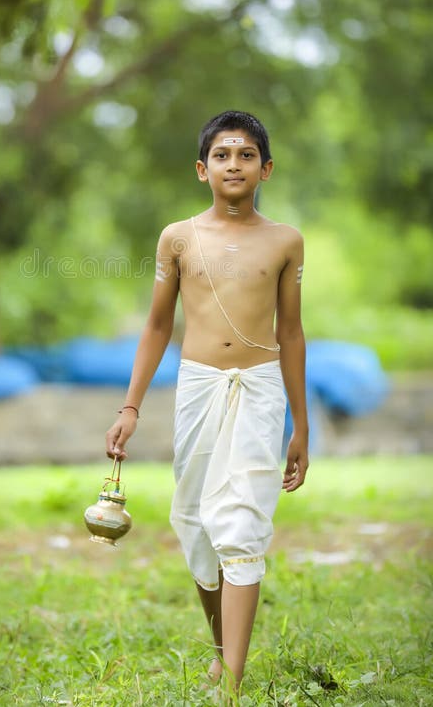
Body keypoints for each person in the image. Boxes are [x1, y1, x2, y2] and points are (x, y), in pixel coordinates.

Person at [105, 110, 309, 699]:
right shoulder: (178, 238)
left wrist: (300, 424)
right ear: (202, 169)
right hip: (197, 386)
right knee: (195, 522)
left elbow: (292, 333)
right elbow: (155, 326)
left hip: (261, 386)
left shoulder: (285, 241)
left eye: (246, 155)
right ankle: (222, 651)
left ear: (266, 168)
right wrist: (130, 407)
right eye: (222, 155)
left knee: (241, 519)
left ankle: (234, 683)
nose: (234, 164)